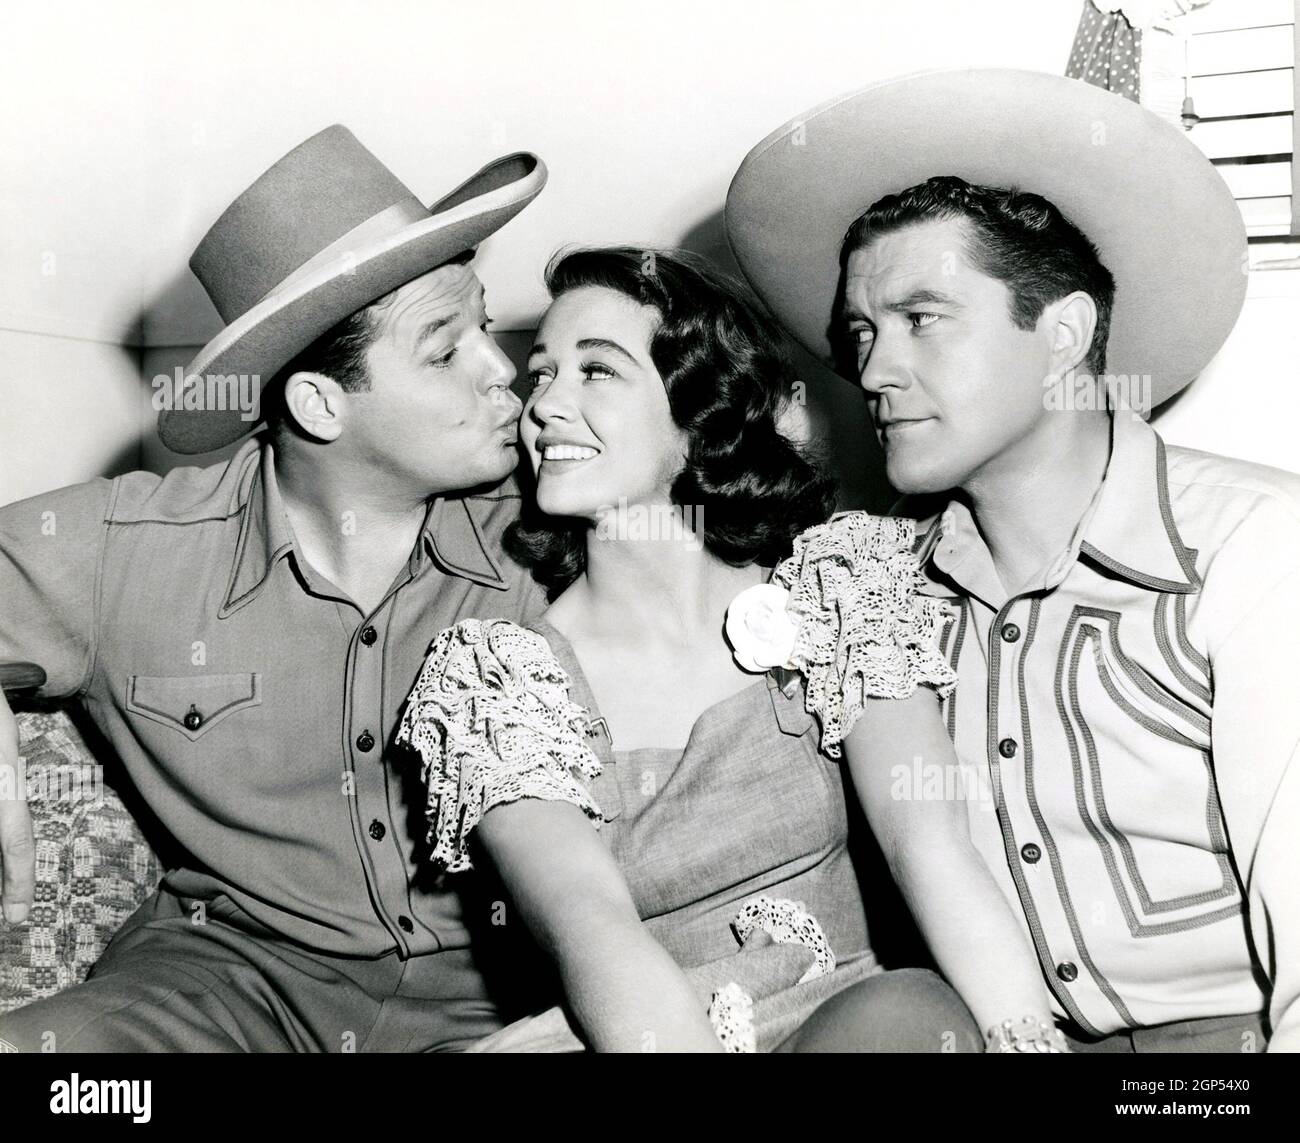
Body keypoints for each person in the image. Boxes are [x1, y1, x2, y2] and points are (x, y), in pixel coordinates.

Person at [726, 68, 1300, 1052]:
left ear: (1063, 335)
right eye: (862, 331)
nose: (871, 371)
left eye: (921, 318)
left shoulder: (1256, 547)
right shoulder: (880, 590)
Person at [0, 124, 551, 1051]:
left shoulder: (557, 530)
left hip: (505, 1007)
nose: (507, 375)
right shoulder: (130, 549)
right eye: (445, 349)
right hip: (224, 991)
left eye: (486, 328)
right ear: (320, 405)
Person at [395, 246, 985, 1052]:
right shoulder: (499, 680)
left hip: (853, 1024)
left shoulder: (838, 587)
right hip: (640, 1036)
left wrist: (1024, 1031)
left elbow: (931, 844)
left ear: (698, 410)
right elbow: (586, 923)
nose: (544, 406)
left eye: (596, 371)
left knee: (913, 1017)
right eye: (542, 374)